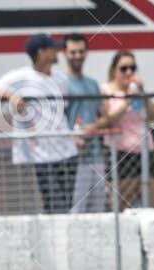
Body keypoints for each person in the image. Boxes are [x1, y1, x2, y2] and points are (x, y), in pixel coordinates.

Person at [0, 34, 77, 214]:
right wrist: (11, 96)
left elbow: (65, 111)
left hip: (67, 150)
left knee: (67, 204)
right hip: (42, 154)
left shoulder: (62, 78)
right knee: (55, 204)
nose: (57, 52)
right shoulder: (21, 76)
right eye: (52, 48)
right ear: (41, 53)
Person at [97, 50, 154, 208]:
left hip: (146, 150)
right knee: (121, 207)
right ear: (114, 70)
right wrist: (127, 100)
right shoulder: (106, 90)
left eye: (132, 68)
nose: (128, 72)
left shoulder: (137, 91)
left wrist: (142, 95)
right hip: (120, 153)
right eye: (123, 68)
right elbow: (108, 120)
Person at [60, 34, 107, 213]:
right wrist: (72, 136)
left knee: (98, 210)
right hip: (74, 160)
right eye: (73, 52)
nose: (77, 56)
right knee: (76, 211)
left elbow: (105, 116)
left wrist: (94, 127)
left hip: (97, 157)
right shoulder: (61, 83)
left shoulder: (92, 84)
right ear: (65, 53)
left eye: (81, 51)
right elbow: (57, 119)